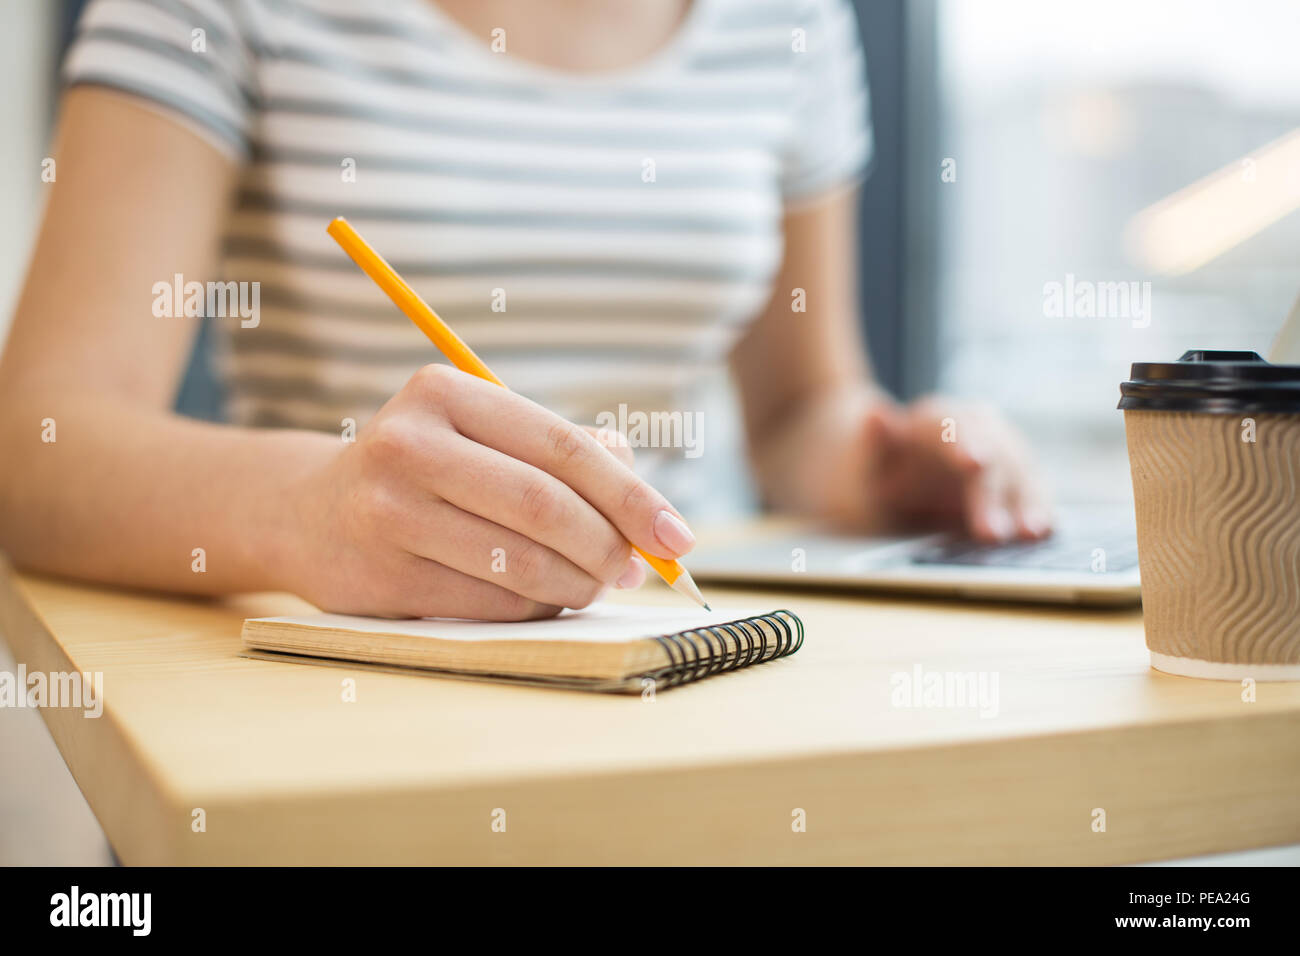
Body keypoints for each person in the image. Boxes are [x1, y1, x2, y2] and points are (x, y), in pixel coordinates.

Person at [0, 0, 1050, 621]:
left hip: (664, 664)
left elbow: (800, 407)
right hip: (338, 681)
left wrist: (886, 463)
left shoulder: (790, 22)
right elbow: (39, 450)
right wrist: (313, 510)